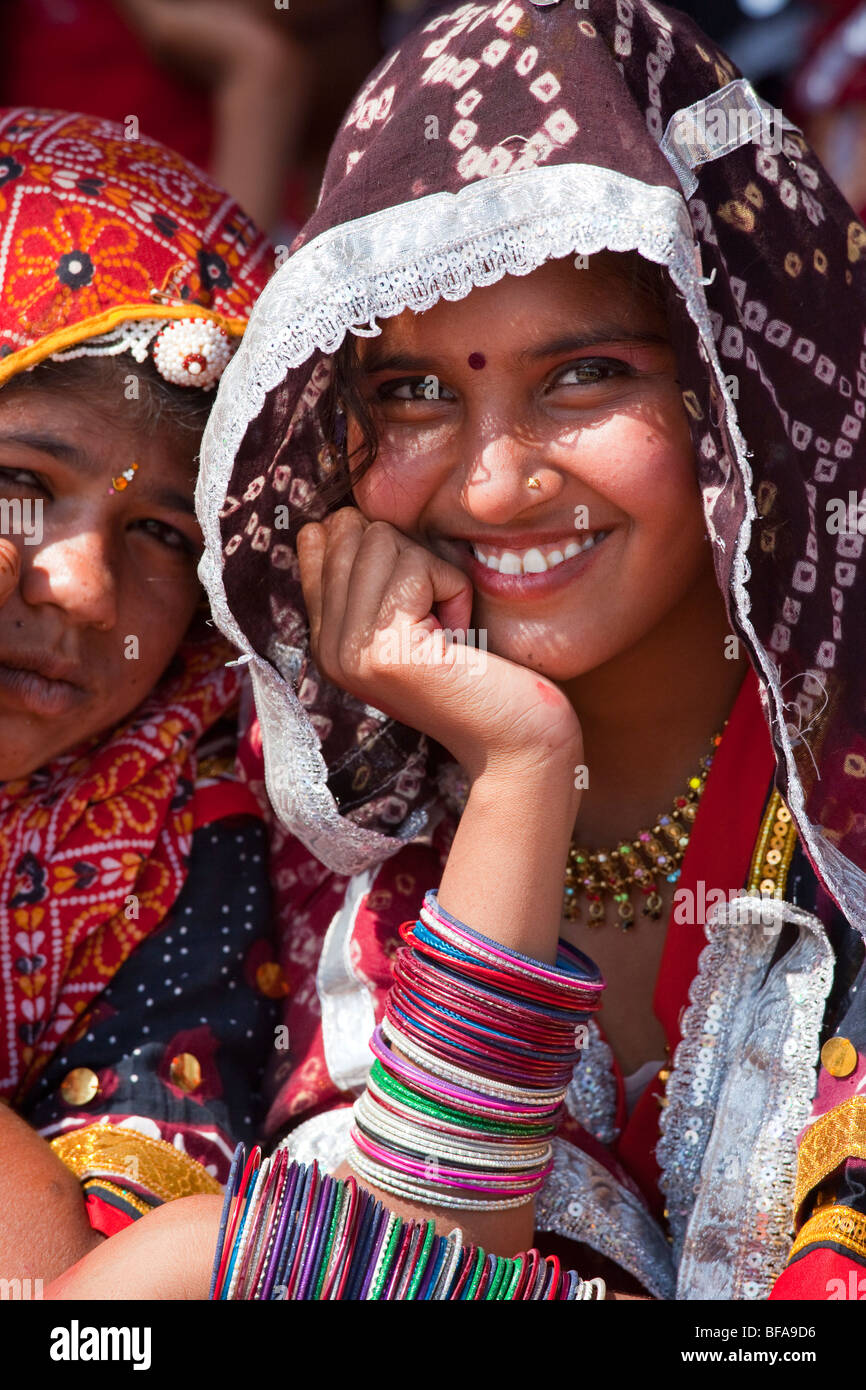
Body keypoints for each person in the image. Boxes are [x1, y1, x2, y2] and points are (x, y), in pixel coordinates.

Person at [49, 0, 866, 1301]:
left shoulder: (835, 799)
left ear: (728, 388)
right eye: (415, 392)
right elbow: (418, 1275)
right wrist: (518, 767)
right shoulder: (320, 790)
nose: (489, 489)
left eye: (583, 375)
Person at [0, 107, 281, 1288]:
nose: (77, 582)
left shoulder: (171, 841)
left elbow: (102, 1298)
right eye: (19, 484)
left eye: (162, 531)